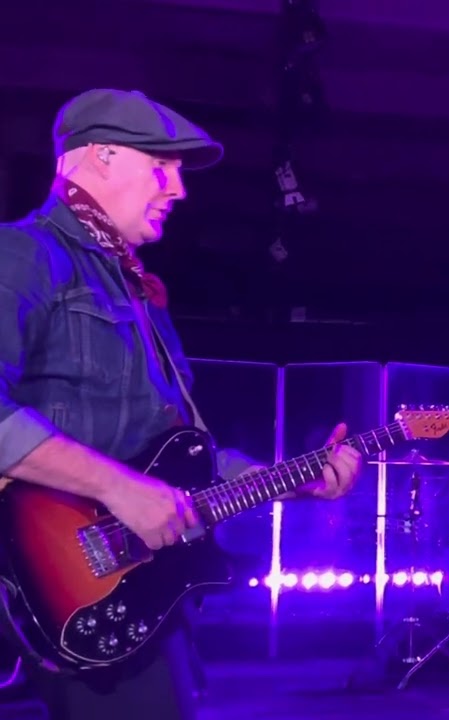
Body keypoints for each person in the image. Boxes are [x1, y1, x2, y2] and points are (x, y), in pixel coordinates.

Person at [0, 89, 363, 720]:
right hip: (48, 569)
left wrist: (300, 480)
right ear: (100, 157)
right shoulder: (24, 254)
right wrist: (118, 490)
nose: (179, 189)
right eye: (161, 167)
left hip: (133, 589)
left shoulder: (142, 294)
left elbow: (179, 457)